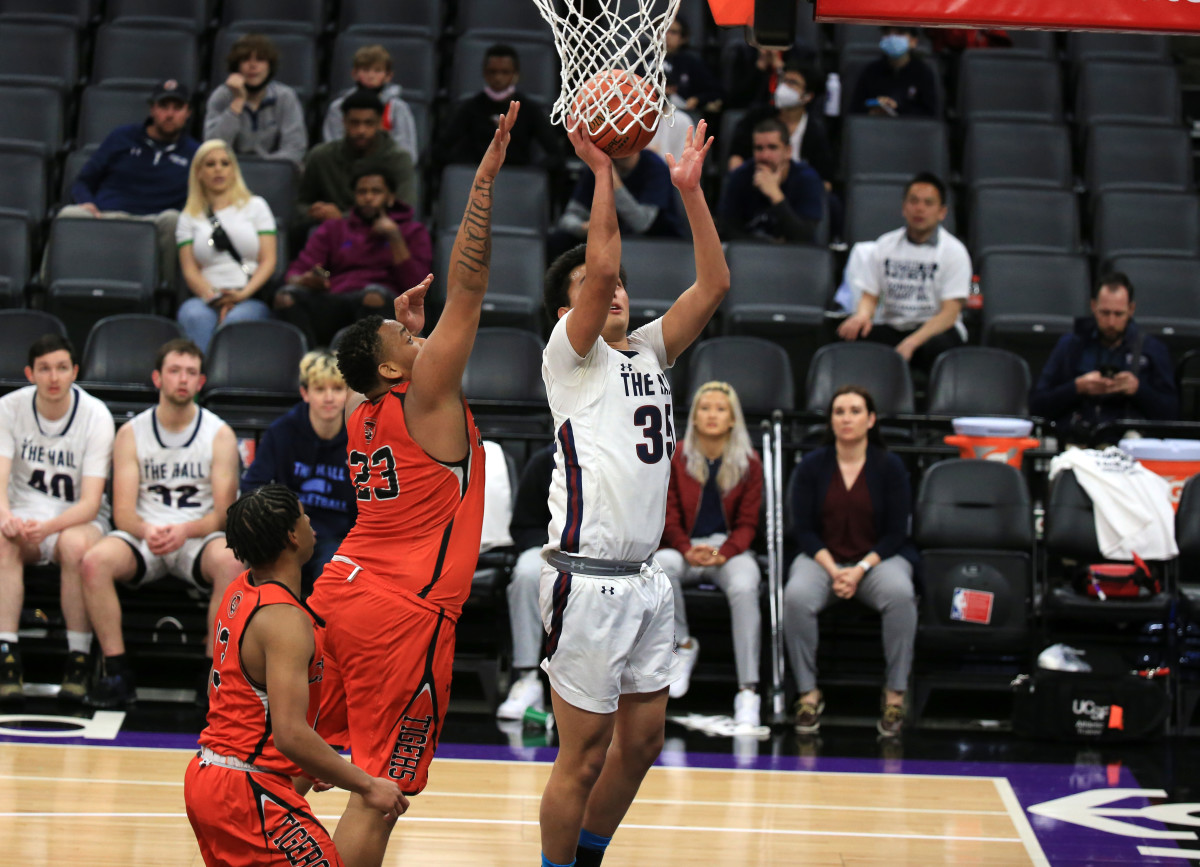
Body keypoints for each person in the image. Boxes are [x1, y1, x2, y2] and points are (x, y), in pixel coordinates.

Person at [307, 101, 521, 867]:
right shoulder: (425, 392)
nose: (417, 330)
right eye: (405, 335)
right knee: (378, 788)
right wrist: (485, 178)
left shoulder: (367, 413)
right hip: (401, 614)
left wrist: (405, 338)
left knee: (302, 760)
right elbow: (470, 282)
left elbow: (403, 355)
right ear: (397, 366)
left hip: (338, 591)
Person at [537, 118, 729, 867]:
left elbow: (713, 284)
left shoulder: (649, 347)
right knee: (580, 756)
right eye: (592, 287)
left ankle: (588, 856)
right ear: (568, 309)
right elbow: (604, 256)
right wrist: (604, 174)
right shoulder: (569, 356)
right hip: (585, 579)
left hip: (647, 580)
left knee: (643, 742)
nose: (611, 288)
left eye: (616, 287)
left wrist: (690, 192)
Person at [184, 485, 407, 867]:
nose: (310, 523)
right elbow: (290, 735)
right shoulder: (285, 619)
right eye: (303, 516)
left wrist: (310, 763)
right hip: (246, 789)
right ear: (291, 535)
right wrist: (367, 784)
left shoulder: (240, 591)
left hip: (208, 775)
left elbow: (225, 691)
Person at [80, 339, 244, 708]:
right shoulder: (132, 433)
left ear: (201, 382)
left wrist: (184, 531)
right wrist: (149, 531)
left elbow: (223, 514)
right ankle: (116, 669)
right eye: (174, 371)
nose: (182, 379)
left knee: (232, 561)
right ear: (157, 377)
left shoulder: (218, 434)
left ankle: (212, 674)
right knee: (93, 561)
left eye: (190, 372)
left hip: (197, 534)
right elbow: (122, 513)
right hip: (144, 532)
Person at [783, 386, 918, 738]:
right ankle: (808, 693)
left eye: (856, 411)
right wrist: (835, 571)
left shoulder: (890, 467)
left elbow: (895, 533)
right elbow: (803, 529)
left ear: (871, 420)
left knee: (901, 594)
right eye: (840, 411)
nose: (847, 418)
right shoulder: (812, 466)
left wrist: (859, 570)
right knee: (796, 595)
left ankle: (895, 694)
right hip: (823, 560)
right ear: (831, 420)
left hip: (877, 560)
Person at [0, 336, 115, 705]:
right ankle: (7, 655)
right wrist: (6, 517)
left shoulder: (96, 415)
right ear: (30, 373)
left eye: (62, 368)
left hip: (78, 519)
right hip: (23, 514)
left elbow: (91, 501)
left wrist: (48, 527)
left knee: (74, 545)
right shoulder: (8, 409)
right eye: (45, 368)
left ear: (75, 372)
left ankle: (78, 659)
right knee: (3, 540)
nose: (54, 377)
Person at [654, 381, 763, 727]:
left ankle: (748, 690)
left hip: (727, 551)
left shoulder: (749, 462)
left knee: (746, 585)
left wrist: (722, 552)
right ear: (695, 416)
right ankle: (683, 645)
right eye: (705, 408)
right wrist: (686, 549)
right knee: (658, 568)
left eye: (720, 408)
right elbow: (667, 516)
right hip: (683, 546)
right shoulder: (677, 455)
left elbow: (747, 524)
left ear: (732, 418)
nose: (712, 415)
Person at [276, 161, 433, 348]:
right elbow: (295, 272)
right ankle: (311, 364)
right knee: (285, 298)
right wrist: (306, 280)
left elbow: (416, 285)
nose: (368, 197)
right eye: (362, 192)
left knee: (373, 296)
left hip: (381, 303)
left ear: (391, 197)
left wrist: (395, 237)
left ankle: (365, 366)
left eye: (375, 192)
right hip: (335, 299)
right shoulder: (334, 228)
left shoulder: (411, 231)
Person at [61, 79, 199, 283]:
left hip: (155, 222)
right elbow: (83, 181)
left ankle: (166, 292)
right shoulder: (122, 137)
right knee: (67, 215)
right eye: (163, 107)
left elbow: (202, 199)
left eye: (177, 108)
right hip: (106, 215)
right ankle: (46, 292)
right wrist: (86, 202)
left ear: (188, 113)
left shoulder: (195, 153)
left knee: (174, 221)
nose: (170, 114)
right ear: (152, 110)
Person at [240, 351, 354, 598]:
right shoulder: (282, 431)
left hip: (340, 537)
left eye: (337, 389)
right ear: (305, 393)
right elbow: (252, 486)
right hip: (288, 533)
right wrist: (283, 524)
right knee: (263, 569)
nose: (329, 398)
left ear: (348, 393)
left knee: (332, 574)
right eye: (320, 389)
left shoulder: (360, 434)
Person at [836, 172, 970, 374]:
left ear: (942, 212)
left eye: (928, 203)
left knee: (938, 347)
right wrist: (862, 316)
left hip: (934, 330)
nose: (920, 208)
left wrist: (913, 342)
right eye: (913, 201)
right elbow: (870, 297)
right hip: (895, 327)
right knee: (847, 334)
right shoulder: (885, 245)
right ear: (903, 207)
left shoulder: (954, 252)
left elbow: (949, 314)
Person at [1031, 272, 1178, 442]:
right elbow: (1037, 406)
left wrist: (1138, 390)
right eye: (1105, 313)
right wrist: (1077, 388)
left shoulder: (1153, 350)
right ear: (1093, 306)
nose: (1111, 323)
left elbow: (1171, 415)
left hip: (1130, 445)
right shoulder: (1070, 345)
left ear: (1131, 309)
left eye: (1118, 314)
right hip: (1076, 443)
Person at [175, 140, 277, 351]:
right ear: (199, 173)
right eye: (210, 164)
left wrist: (241, 295)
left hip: (249, 294)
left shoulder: (256, 206)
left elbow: (268, 260)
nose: (218, 169)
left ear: (234, 170)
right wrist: (216, 298)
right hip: (206, 298)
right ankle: (201, 380)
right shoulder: (188, 216)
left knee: (236, 321)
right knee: (192, 315)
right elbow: (190, 270)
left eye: (225, 163)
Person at [495, 443, 555, 721]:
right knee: (526, 573)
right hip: (550, 548)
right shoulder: (545, 460)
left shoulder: (617, 460)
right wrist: (552, 548)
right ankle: (528, 678)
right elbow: (523, 525)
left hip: (602, 552)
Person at [298, 89, 417, 227]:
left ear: (380, 124)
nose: (361, 130)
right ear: (344, 122)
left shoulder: (398, 159)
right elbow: (300, 204)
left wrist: (342, 217)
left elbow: (403, 211)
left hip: (381, 237)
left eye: (368, 123)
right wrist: (315, 211)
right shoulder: (321, 156)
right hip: (331, 235)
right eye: (354, 123)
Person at [437, 44, 563, 171]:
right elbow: (442, 149)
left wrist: (530, 173)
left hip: (518, 180)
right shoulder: (469, 108)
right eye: (493, 72)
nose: (498, 78)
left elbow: (555, 154)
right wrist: (466, 168)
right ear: (484, 74)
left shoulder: (530, 110)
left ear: (516, 75)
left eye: (505, 72)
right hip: (476, 180)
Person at [550, 148, 684, 257]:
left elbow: (642, 223)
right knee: (559, 239)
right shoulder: (595, 167)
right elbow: (568, 218)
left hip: (656, 243)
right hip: (609, 241)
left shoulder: (655, 166)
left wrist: (610, 177)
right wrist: (584, 228)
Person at [203, 33, 307, 166]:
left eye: (260, 59)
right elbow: (213, 148)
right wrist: (237, 102)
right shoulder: (222, 96)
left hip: (273, 172)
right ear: (237, 67)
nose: (253, 65)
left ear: (269, 67)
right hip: (230, 174)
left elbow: (295, 149)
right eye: (246, 60)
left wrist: (260, 168)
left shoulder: (285, 97)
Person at [717, 118, 825, 243]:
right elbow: (726, 231)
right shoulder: (740, 176)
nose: (764, 156)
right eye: (759, 148)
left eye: (772, 148)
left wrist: (776, 195)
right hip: (749, 256)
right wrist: (769, 246)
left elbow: (806, 237)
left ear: (788, 151)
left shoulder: (807, 179)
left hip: (793, 258)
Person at [727, 61, 835, 187]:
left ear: (807, 96)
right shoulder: (757, 117)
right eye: (783, 80)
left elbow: (825, 179)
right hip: (755, 185)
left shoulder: (815, 129)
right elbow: (736, 157)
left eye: (792, 83)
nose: (784, 87)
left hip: (798, 191)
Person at [323, 44, 419, 164]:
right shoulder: (338, 107)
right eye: (365, 70)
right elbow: (332, 145)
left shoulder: (398, 108)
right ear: (354, 74)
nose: (371, 76)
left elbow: (407, 151)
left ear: (388, 76)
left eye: (377, 71)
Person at [849, 26, 940, 117]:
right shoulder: (871, 71)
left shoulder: (923, 73)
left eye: (899, 33)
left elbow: (930, 116)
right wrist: (873, 110)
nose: (892, 38)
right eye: (887, 33)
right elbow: (855, 110)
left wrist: (897, 108)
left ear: (913, 41)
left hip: (910, 129)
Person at [663, 16, 722, 114]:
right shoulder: (645, 61)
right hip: (650, 113)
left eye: (673, 32)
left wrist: (697, 99)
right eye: (662, 30)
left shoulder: (692, 62)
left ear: (683, 38)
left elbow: (716, 92)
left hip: (683, 113)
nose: (666, 36)